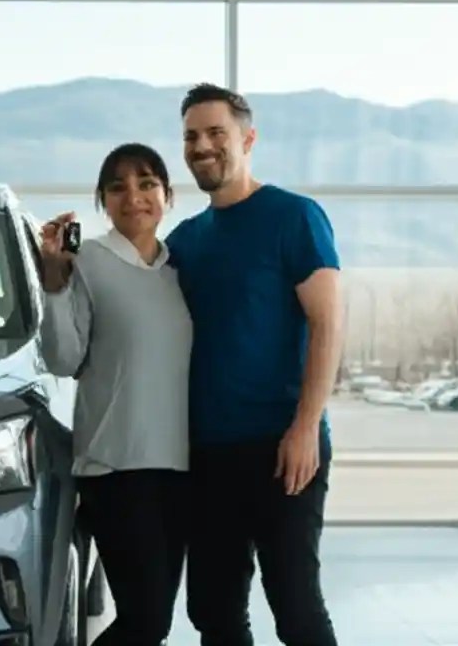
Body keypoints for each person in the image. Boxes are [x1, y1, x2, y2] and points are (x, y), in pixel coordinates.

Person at [164, 83, 343, 646]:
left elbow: (328, 323)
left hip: (282, 446)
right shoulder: (186, 240)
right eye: (192, 136)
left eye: (216, 132)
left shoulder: (294, 217)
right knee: (214, 612)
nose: (202, 145)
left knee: (295, 606)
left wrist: (305, 425)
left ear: (248, 138)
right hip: (209, 453)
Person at [38, 143, 191, 646]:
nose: (134, 197)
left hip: (179, 472)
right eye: (118, 187)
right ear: (102, 201)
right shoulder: (89, 262)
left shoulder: (179, 272)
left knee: (155, 625)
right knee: (144, 622)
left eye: (147, 183)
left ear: (168, 195)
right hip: (116, 470)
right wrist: (55, 281)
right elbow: (62, 358)